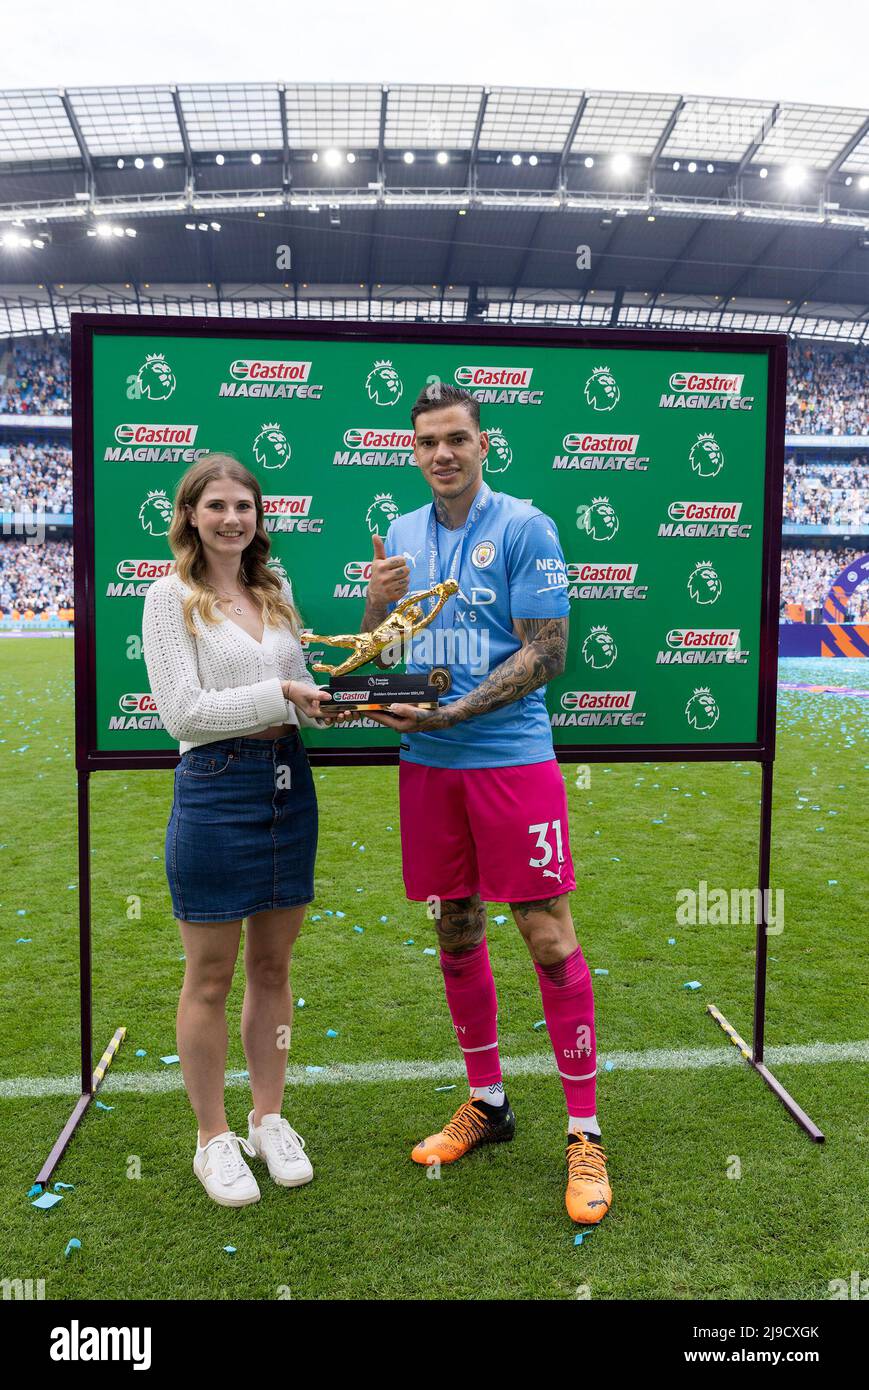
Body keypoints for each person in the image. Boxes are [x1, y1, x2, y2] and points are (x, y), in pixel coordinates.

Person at [363, 384, 611, 1225]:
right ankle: (489, 1103)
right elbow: (384, 651)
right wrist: (374, 601)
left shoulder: (524, 527)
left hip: (510, 763)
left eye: (457, 439)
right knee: (456, 926)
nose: (442, 453)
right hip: (428, 767)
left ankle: (584, 1133)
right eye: (428, 441)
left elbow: (547, 655)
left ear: (483, 444)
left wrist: (452, 713)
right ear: (414, 450)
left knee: (546, 935)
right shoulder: (399, 533)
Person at [142, 453, 346, 1208]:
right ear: (191, 515)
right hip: (215, 784)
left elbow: (294, 691)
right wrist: (282, 693)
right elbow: (182, 715)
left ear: (260, 517)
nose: (232, 519)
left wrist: (313, 702)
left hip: (290, 781)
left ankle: (268, 1119)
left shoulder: (274, 587)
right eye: (217, 506)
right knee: (210, 975)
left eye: (245, 507)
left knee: (273, 969)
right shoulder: (170, 597)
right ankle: (212, 1138)